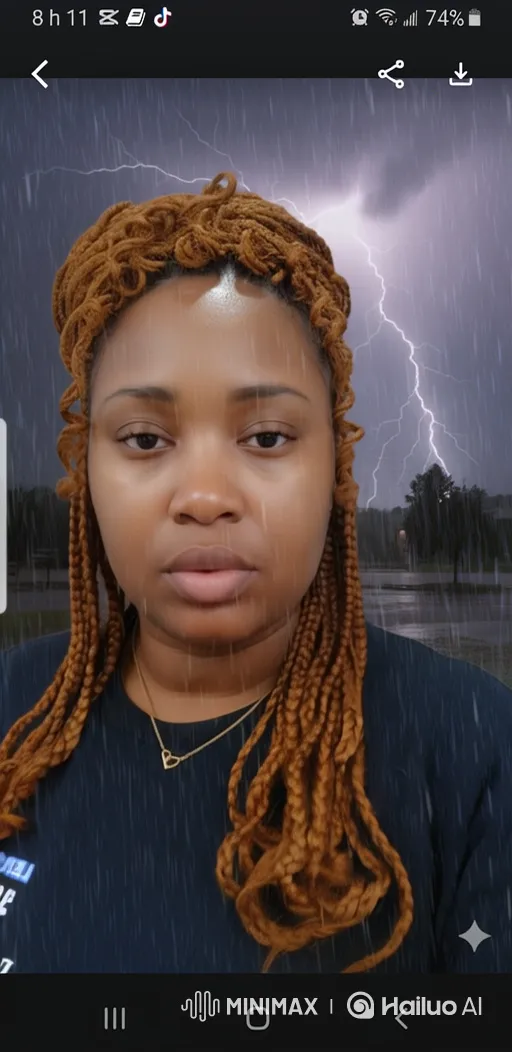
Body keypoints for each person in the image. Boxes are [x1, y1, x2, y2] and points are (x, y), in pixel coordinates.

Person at [1, 172, 511, 976]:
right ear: (84, 470)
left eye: (268, 437)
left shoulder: (477, 754)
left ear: (336, 470)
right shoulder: (12, 720)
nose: (205, 498)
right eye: (143, 439)